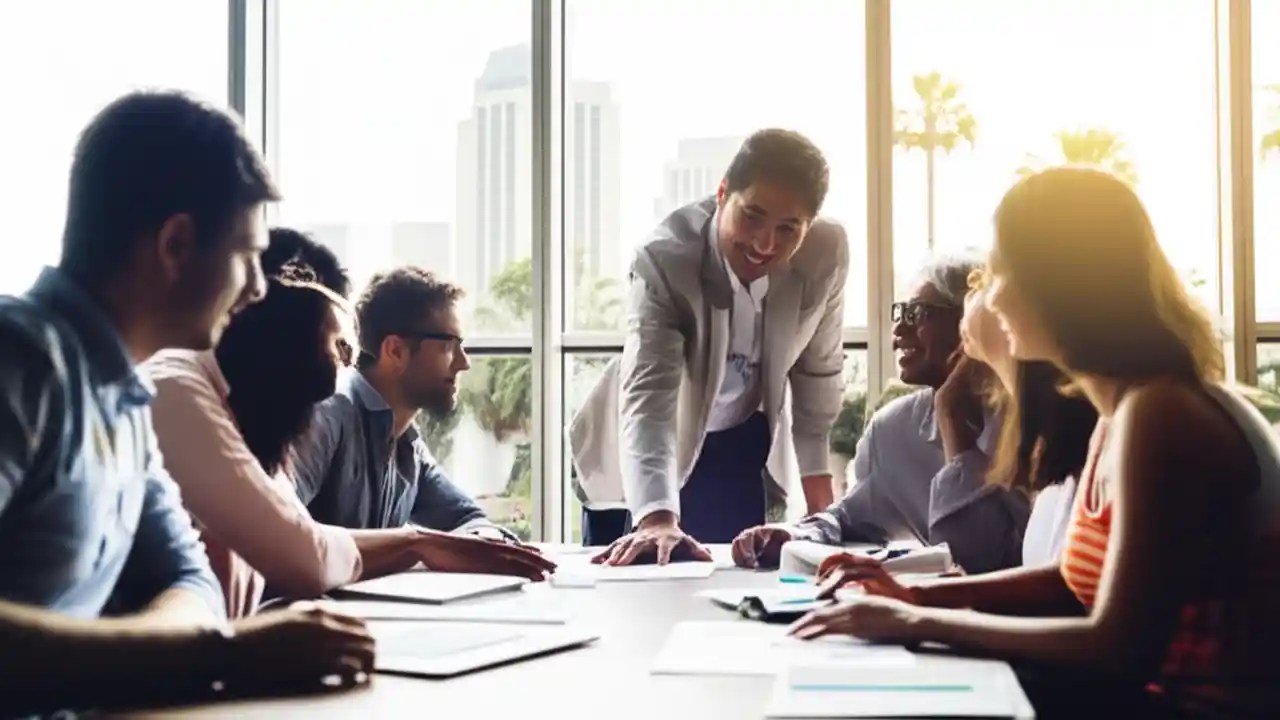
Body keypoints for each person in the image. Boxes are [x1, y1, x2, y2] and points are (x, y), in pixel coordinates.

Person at [789, 167, 1280, 718]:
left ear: (1057, 286)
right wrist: (914, 595)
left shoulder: (1159, 415)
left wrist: (916, 620)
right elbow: (1071, 584)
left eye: (999, 274)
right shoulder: (1120, 412)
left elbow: (1117, 646)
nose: (990, 297)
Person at [0, 91, 372, 716]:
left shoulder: (125, 400)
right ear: (175, 245)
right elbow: (205, 629)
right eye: (248, 257)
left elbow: (191, 581)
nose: (259, 288)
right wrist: (221, 655)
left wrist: (201, 651)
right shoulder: (20, 361)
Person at [570, 129, 848, 565]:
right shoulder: (665, 257)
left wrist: (823, 513)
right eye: (752, 216)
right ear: (722, 193)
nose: (765, 244)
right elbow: (649, 400)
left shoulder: (825, 253)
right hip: (642, 447)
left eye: (787, 229)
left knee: (734, 576)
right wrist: (656, 518)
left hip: (738, 438)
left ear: (808, 226)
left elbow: (817, 376)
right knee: (636, 573)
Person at [731, 256, 1031, 574]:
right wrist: (793, 535)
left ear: (969, 321)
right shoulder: (893, 430)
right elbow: (846, 519)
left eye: (919, 313)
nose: (899, 329)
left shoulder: (1030, 422)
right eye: (901, 313)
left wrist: (951, 413)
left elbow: (978, 560)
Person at [290, 266, 554, 572]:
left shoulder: (407, 445)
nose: (464, 363)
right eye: (448, 345)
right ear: (396, 351)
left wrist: (484, 545)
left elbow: (468, 518)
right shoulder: (329, 413)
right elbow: (282, 531)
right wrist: (413, 544)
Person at [957, 270, 1095, 566]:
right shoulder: (1043, 434)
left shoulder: (1101, 428)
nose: (972, 284)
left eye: (989, 278)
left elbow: (1064, 584)